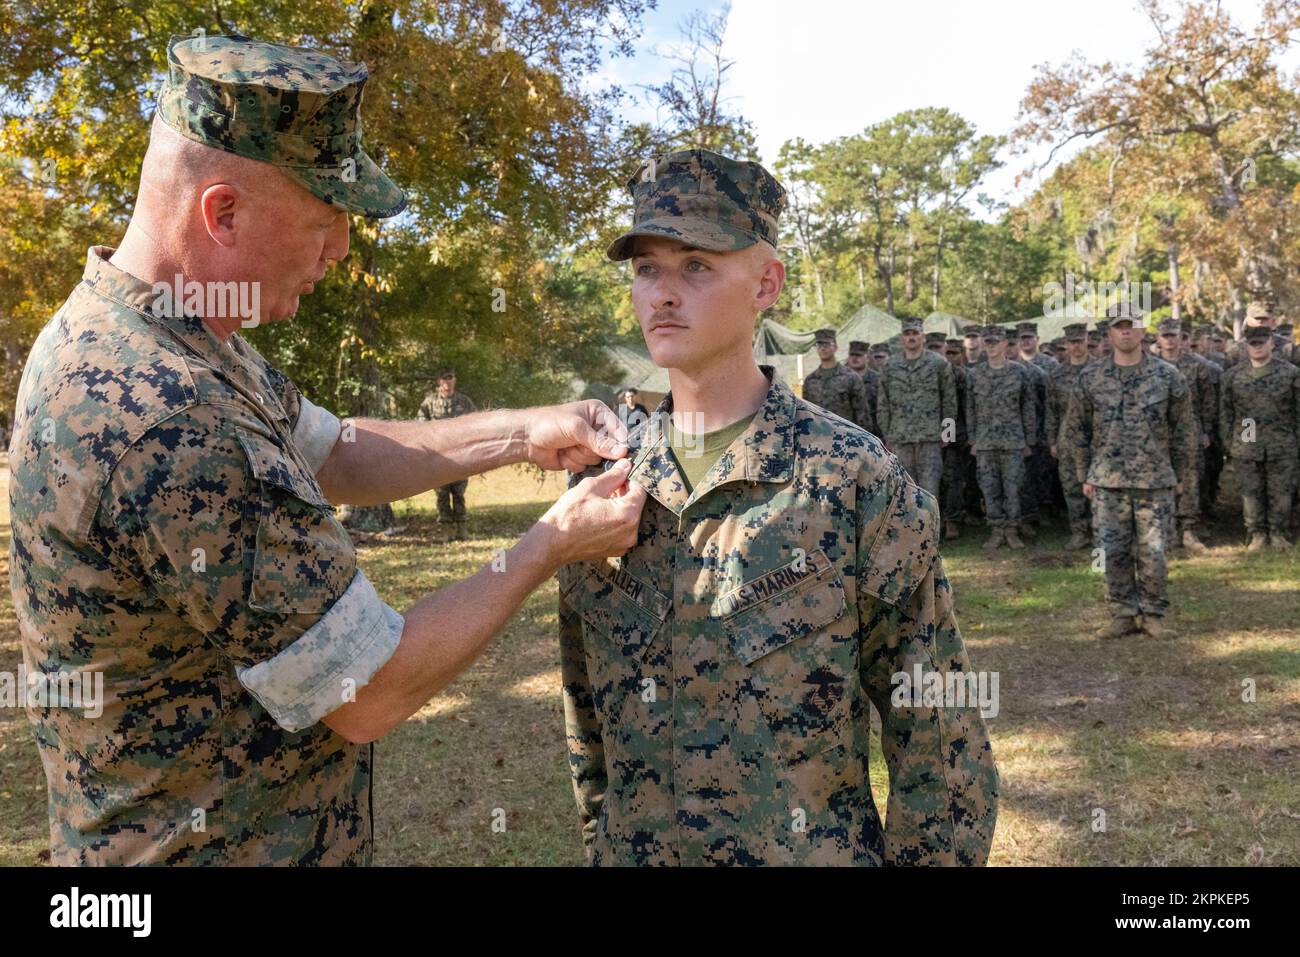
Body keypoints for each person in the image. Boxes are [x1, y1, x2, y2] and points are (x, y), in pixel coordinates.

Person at [7, 34, 644, 866]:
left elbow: (339, 453)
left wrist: (522, 434)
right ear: (222, 212)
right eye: (323, 220)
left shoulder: (172, 332)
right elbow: (367, 691)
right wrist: (549, 543)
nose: (339, 252)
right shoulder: (171, 413)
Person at [558, 148, 998, 866]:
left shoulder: (849, 475)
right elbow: (586, 711)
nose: (663, 293)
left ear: (766, 283)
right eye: (646, 269)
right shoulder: (607, 481)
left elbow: (938, 729)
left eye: (696, 265)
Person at [1062, 305, 1193, 640]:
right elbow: (1076, 430)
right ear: (1109, 334)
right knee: (1111, 550)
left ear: (1142, 332)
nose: (1125, 332)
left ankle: (1153, 613)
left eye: (1130, 327)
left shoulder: (1167, 376)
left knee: (1155, 550)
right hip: (1106, 481)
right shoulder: (1090, 377)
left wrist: (1178, 475)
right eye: (1118, 327)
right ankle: (1122, 613)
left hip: (1155, 480)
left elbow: (1183, 430)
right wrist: (1084, 475)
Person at [1219, 325, 1300, 550]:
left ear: (1272, 343)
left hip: (1281, 441)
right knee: (1250, 492)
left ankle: (1278, 533)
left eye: (1262, 342)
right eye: (1253, 343)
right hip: (1247, 441)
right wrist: (1229, 443)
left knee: (1281, 491)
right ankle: (1257, 533)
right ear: (1246, 346)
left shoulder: (1290, 373)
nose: (1257, 347)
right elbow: (1225, 413)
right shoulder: (1233, 376)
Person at [966, 326, 1035, 550]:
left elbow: (1028, 407)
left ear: (1005, 344)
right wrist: (972, 439)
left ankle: (1013, 530)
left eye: (996, 342)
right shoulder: (974, 374)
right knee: (989, 487)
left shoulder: (1019, 372)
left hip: (1013, 440)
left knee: (1013, 487)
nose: (991, 346)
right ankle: (996, 529)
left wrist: (1029, 439)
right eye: (988, 342)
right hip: (985, 442)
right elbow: (970, 409)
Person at [876, 315, 958, 503]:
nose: (911, 337)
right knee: (903, 490)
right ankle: (908, 532)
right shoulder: (890, 366)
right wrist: (888, 435)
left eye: (915, 333)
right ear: (902, 338)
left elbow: (949, 401)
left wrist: (947, 434)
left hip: (930, 439)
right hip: (900, 439)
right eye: (907, 333)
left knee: (929, 491)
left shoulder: (938, 363)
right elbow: (883, 404)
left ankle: (930, 532)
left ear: (923, 337)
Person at [1155, 319, 1213, 552]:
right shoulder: (1149, 366)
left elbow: (1208, 401)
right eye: (1165, 335)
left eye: (1174, 335)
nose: (1169, 340)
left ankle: (1188, 529)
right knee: (1162, 479)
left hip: (1189, 429)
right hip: (1159, 432)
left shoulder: (1197, 366)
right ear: (1158, 339)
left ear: (1182, 338)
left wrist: (1206, 430)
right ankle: (1167, 530)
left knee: (1190, 479)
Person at [1045, 323, 1094, 549]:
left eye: (1080, 341)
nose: (1076, 346)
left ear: (1087, 341)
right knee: (1072, 488)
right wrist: (1052, 441)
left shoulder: (1100, 369)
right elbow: (1051, 411)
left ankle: (1100, 531)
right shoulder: (1056, 375)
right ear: (1066, 344)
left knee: (1097, 488)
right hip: (1068, 441)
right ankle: (1079, 531)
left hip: (1097, 441)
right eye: (1072, 342)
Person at [418, 369, 477, 540]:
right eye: (444, 379)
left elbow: (475, 422)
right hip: (438, 456)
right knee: (442, 493)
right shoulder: (429, 402)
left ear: (455, 380)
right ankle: (445, 529)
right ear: (438, 381)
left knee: (459, 492)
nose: (448, 382)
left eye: (451, 378)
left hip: (460, 455)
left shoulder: (464, 402)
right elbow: (421, 424)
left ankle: (461, 529)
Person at [803, 328, 872, 431]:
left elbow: (862, 414)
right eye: (819, 345)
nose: (822, 348)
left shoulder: (851, 377)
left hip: (846, 438)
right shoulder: (810, 380)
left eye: (826, 344)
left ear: (835, 347)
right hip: (819, 438)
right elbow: (806, 414)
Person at [844, 339, 880, 435]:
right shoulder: (841, 380)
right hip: (847, 431)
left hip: (874, 433)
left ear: (867, 358)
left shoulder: (877, 379)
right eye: (852, 355)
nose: (855, 358)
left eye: (859, 355)